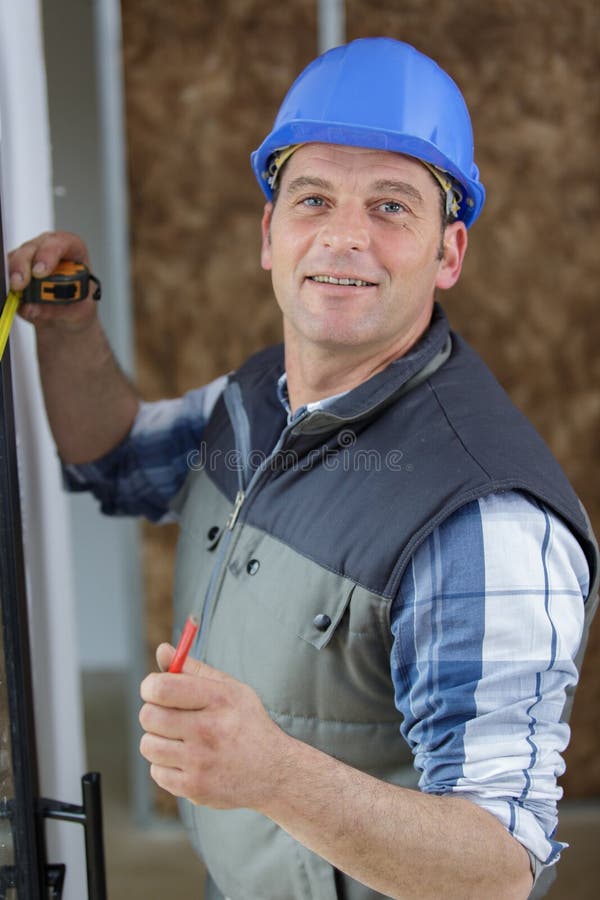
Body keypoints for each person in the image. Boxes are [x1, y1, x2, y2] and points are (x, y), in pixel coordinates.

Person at [9, 37, 598, 900]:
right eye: (313, 198)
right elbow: (121, 458)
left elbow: (497, 868)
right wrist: (66, 330)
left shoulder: (483, 519)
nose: (344, 235)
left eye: (392, 207)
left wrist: (274, 774)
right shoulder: (255, 400)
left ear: (449, 253)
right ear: (270, 233)